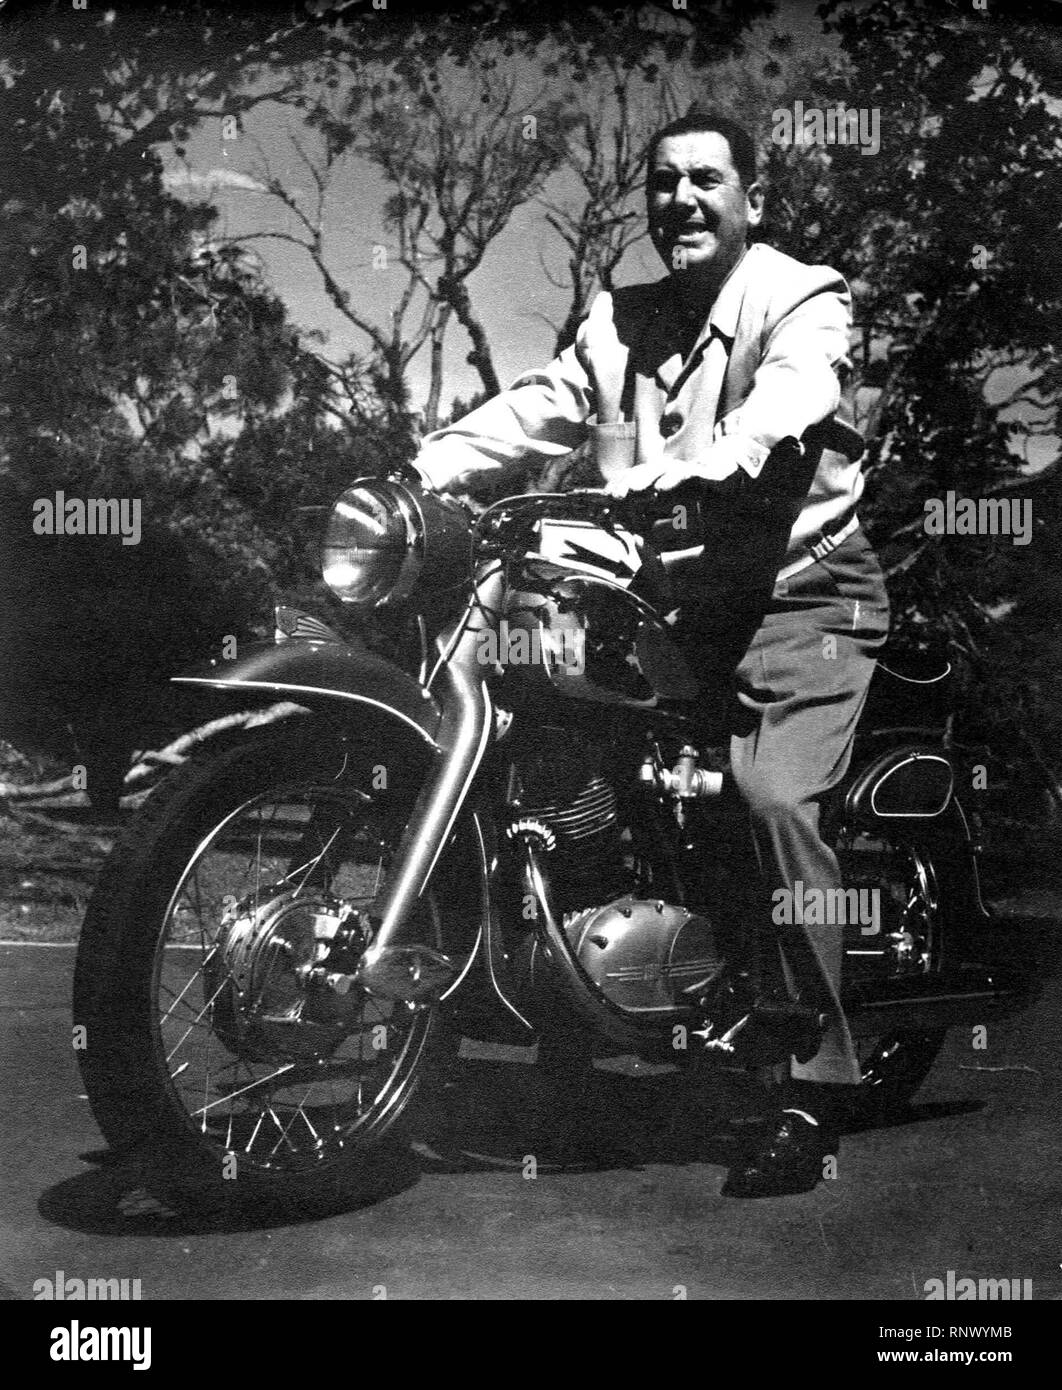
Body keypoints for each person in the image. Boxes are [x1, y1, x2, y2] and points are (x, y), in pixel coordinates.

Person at [414, 106, 890, 1196]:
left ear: (750, 199)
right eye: (662, 182)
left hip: (804, 593)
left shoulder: (798, 292)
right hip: (676, 594)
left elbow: (798, 391)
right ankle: (576, 1008)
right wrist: (435, 458)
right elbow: (548, 403)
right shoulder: (621, 317)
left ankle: (817, 1083)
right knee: (560, 737)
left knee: (772, 796)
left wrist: (718, 456)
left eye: (705, 180)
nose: (680, 199)